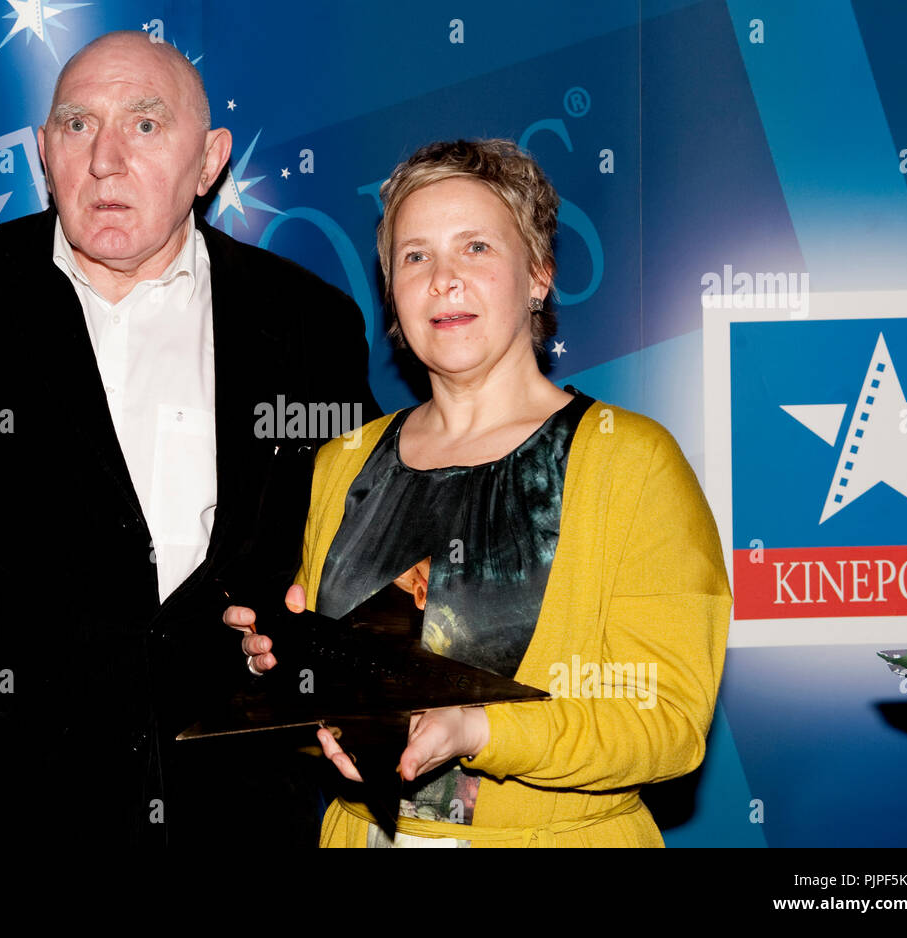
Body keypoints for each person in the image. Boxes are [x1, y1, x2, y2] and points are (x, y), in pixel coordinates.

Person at [0, 30, 378, 849]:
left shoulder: (308, 322)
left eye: (145, 126)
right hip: (0, 808)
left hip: (241, 809)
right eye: (77, 126)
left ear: (210, 159)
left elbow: (349, 552)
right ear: (45, 151)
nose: (105, 158)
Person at [227, 138, 731, 847]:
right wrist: (288, 682)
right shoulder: (343, 461)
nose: (443, 280)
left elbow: (667, 722)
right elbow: (334, 702)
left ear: (538, 275)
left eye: (476, 249)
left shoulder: (631, 461)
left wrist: (479, 728)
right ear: (392, 296)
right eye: (415, 255)